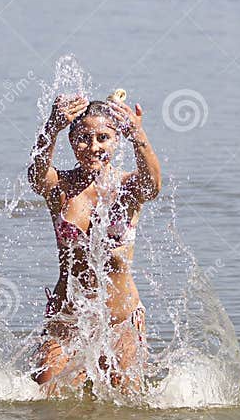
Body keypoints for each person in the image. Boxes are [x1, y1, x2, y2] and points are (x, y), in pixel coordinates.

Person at [27, 93, 162, 395]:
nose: (94, 147)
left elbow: (153, 186)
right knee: (44, 398)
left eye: (104, 138)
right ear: (71, 140)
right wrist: (51, 127)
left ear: (116, 141)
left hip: (120, 320)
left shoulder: (128, 188)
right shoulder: (59, 187)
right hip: (67, 320)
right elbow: (35, 176)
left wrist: (138, 134)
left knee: (127, 406)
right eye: (84, 138)